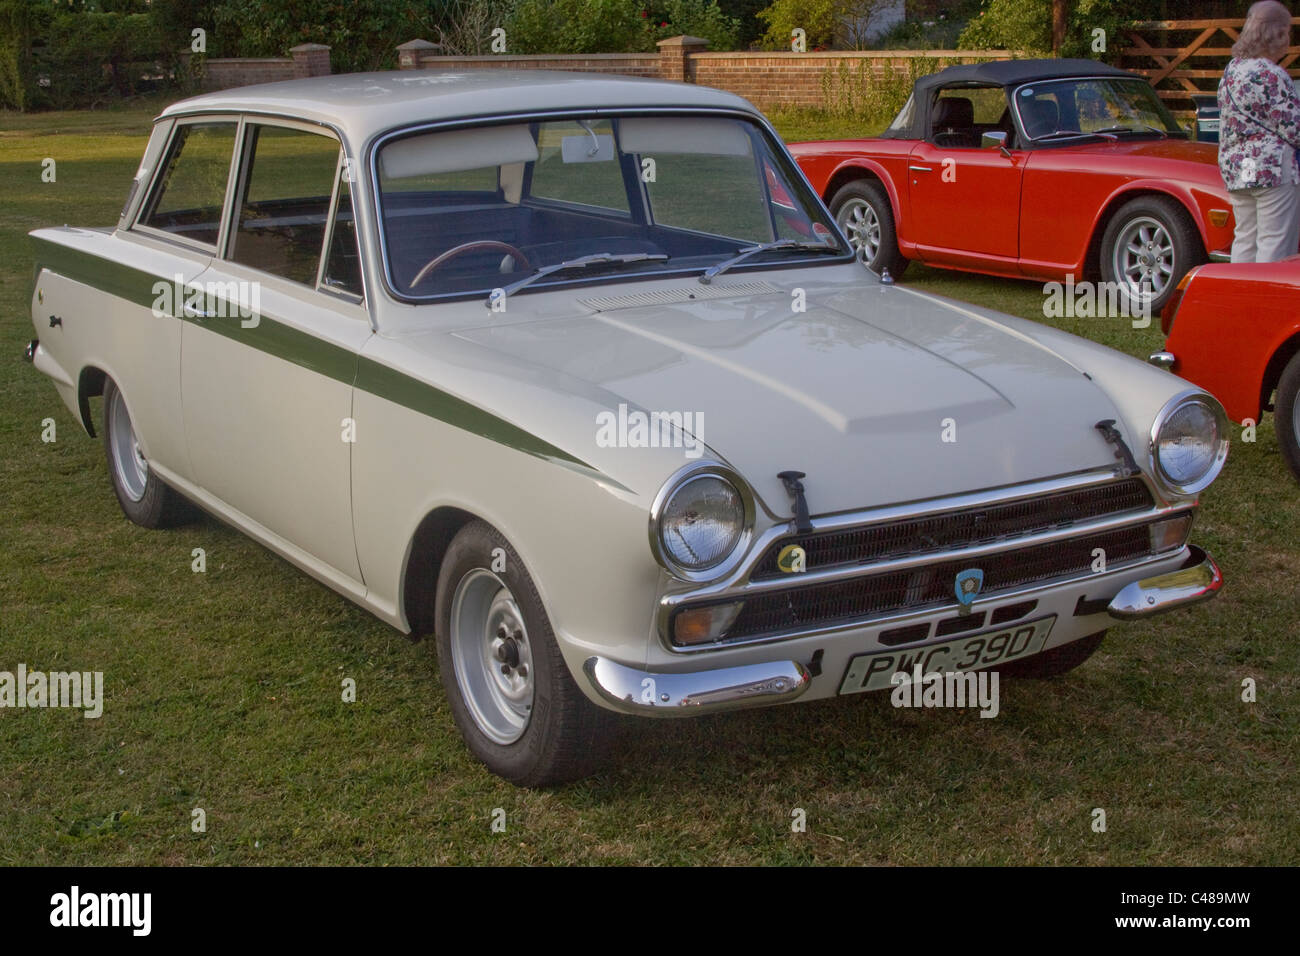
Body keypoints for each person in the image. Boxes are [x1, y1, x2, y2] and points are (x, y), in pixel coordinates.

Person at [1219, 0, 1300, 262]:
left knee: (1245, 238)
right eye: (1286, 32)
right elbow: (1294, 128)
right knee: (1274, 243)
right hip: (1272, 170)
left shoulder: (1231, 70)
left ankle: (1241, 298)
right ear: (1275, 34)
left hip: (1239, 168)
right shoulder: (1272, 74)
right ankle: (1268, 300)